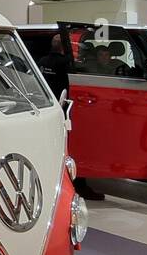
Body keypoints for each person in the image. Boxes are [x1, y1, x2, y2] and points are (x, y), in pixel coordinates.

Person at [36, 35, 104, 201]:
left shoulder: (42, 61)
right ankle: (77, 184)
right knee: (75, 147)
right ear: (64, 47)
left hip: (46, 109)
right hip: (66, 111)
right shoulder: (66, 63)